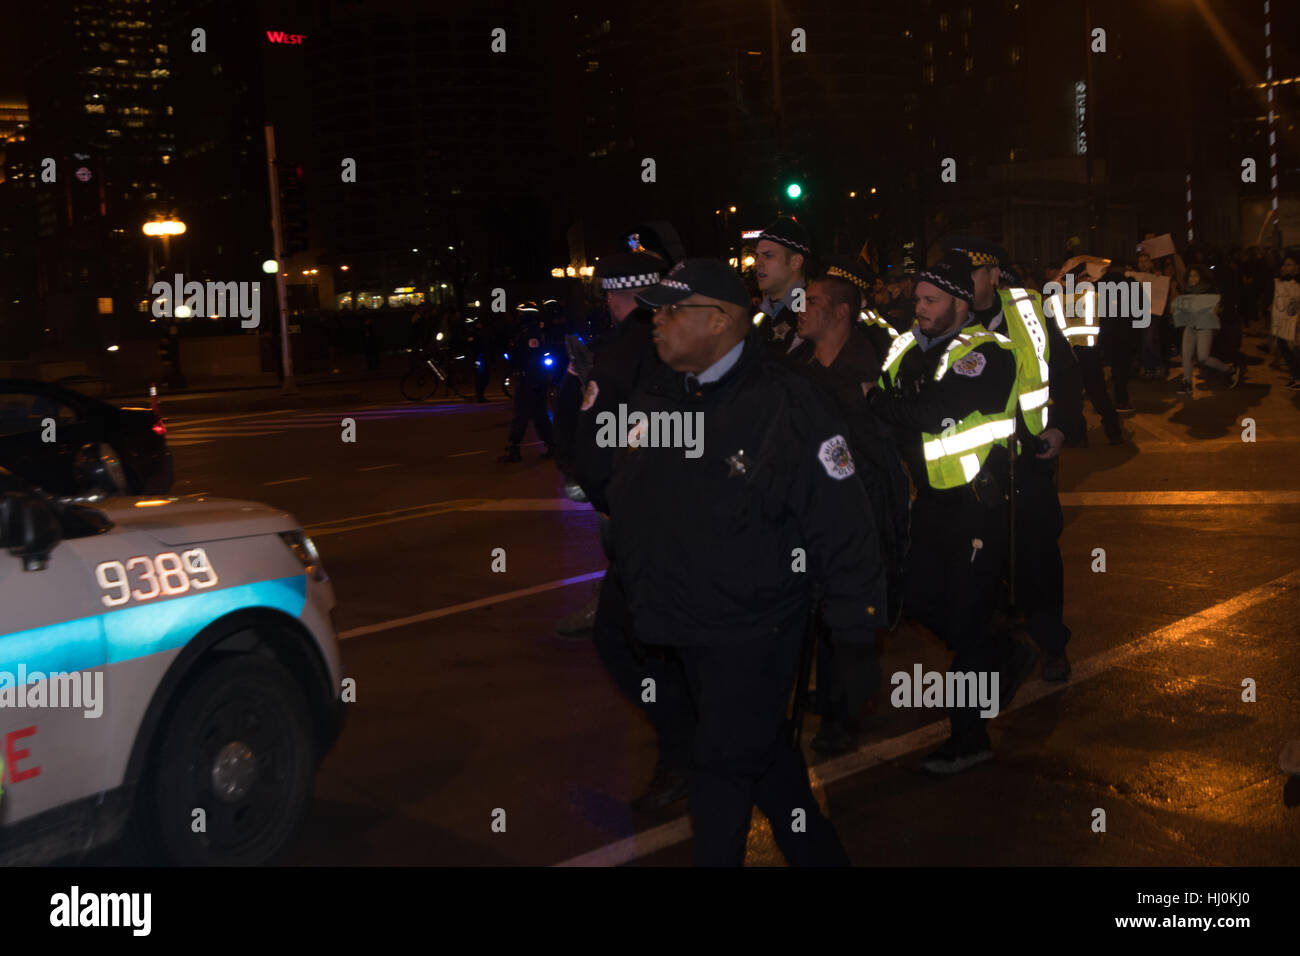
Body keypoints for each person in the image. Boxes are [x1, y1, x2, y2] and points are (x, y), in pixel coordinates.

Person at [609, 258, 885, 865]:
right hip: (680, 626)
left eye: (673, 310)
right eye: (656, 310)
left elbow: (841, 515)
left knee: (721, 773)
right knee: (768, 765)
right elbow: (625, 498)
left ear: (723, 320)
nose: (658, 322)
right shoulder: (659, 395)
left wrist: (857, 623)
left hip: (755, 628)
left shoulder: (786, 403)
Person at [867, 253, 1038, 774]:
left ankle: (969, 738)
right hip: (930, 505)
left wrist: (885, 402)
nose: (917, 307)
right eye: (917, 297)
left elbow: (922, 412)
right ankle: (1005, 651)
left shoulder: (986, 353)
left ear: (960, 304)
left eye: (930, 299)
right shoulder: (907, 348)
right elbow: (888, 400)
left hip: (977, 508)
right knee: (914, 601)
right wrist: (889, 401)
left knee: (963, 620)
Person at [947, 236, 1084, 681]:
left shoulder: (1029, 311)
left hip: (1029, 457)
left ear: (992, 275)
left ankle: (1050, 644)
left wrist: (1062, 426)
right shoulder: (944, 315)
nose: (960, 286)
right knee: (976, 558)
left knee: (1038, 553)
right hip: (972, 464)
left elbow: (1065, 373)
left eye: (969, 276)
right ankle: (991, 648)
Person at [790, 262, 910, 754]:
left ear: (841, 312)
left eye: (812, 301)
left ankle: (847, 714)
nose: (801, 309)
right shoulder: (798, 370)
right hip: (813, 512)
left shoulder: (876, 368)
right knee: (819, 611)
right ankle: (834, 694)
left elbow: (887, 445)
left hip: (865, 506)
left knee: (855, 615)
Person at [497, 302, 557, 462]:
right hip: (536, 378)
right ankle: (552, 446)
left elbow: (530, 357)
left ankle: (514, 449)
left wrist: (516, 363)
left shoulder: (531, 333)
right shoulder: (530, 331)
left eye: (520, 314)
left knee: (521, 414)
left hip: (530, 379)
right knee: (539, 414)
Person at [1170, 266, 1241, 393]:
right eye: (1190, 275)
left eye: (1196, 275)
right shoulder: (1187, 292)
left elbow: (1219, 306)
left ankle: (1229, 369)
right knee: (1186, 356)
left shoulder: (1210, 291)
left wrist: (1217, 309)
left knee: (1203, 357)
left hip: (1204, 326)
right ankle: (1187, 382)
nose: (1192, 278)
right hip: (1190, 326)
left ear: (1201, 277)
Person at [752, 216, 813, 360]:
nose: (758, 264)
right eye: (757, 256)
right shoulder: (759, 314)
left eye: (768, 256)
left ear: (795, 262)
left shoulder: (812, 312)